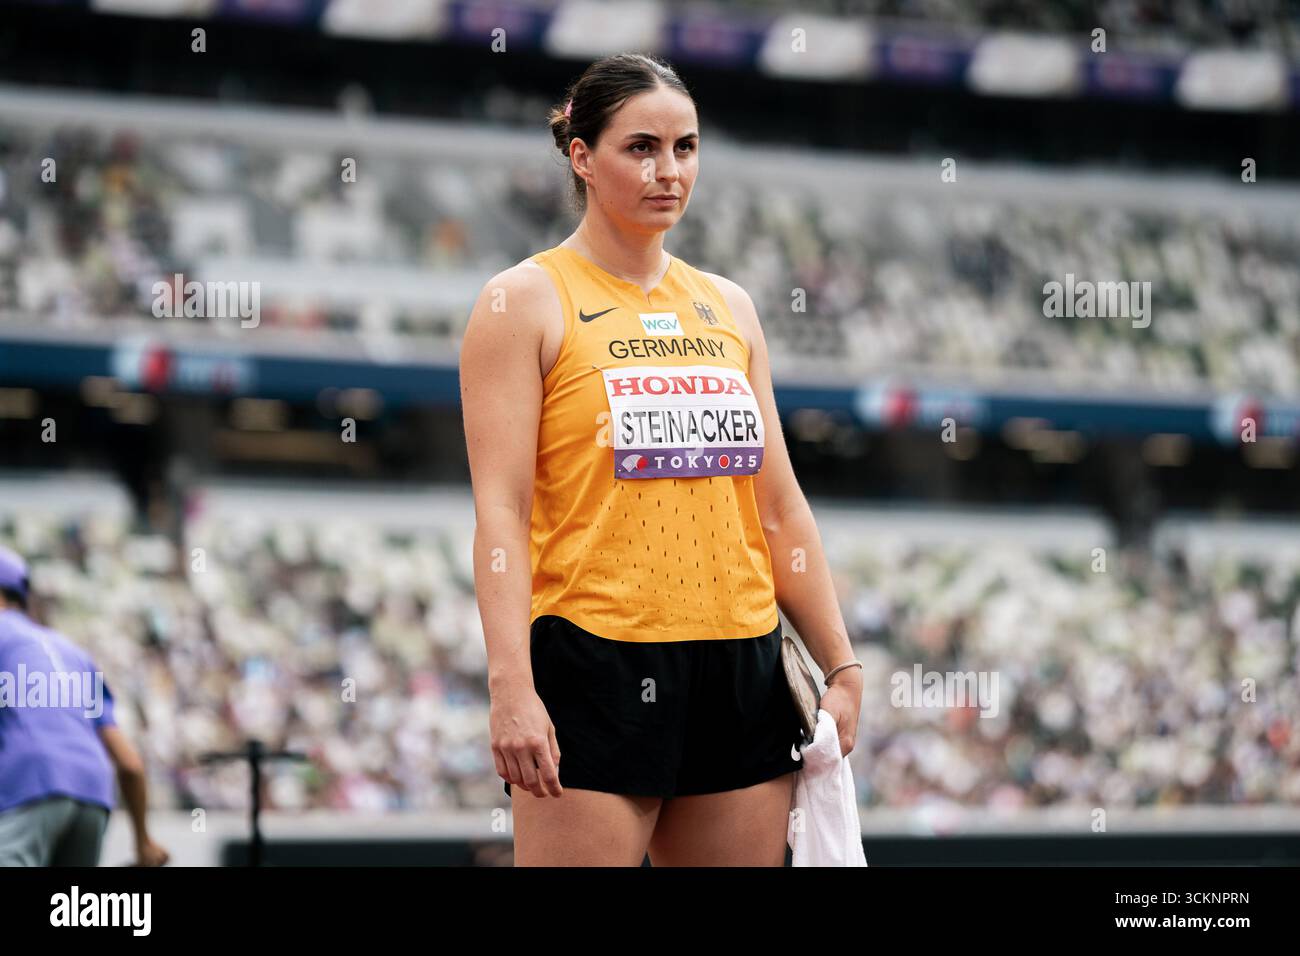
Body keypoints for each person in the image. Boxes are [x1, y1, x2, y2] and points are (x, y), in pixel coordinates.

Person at [460, 52, 863, 866]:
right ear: (582, 155)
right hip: (594, 661)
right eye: (640, 147)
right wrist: (510, 684)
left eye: (686, 148)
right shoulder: (524, 302)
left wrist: (841, 661)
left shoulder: (729, 307)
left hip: (741, 664)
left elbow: (778, 506)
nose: (668, 171)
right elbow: (503, 513)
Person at [0, 545, 169, 866]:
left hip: (29, 785)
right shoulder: (74, 654)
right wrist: (143, 842)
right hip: (93, 793)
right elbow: (130, 764)